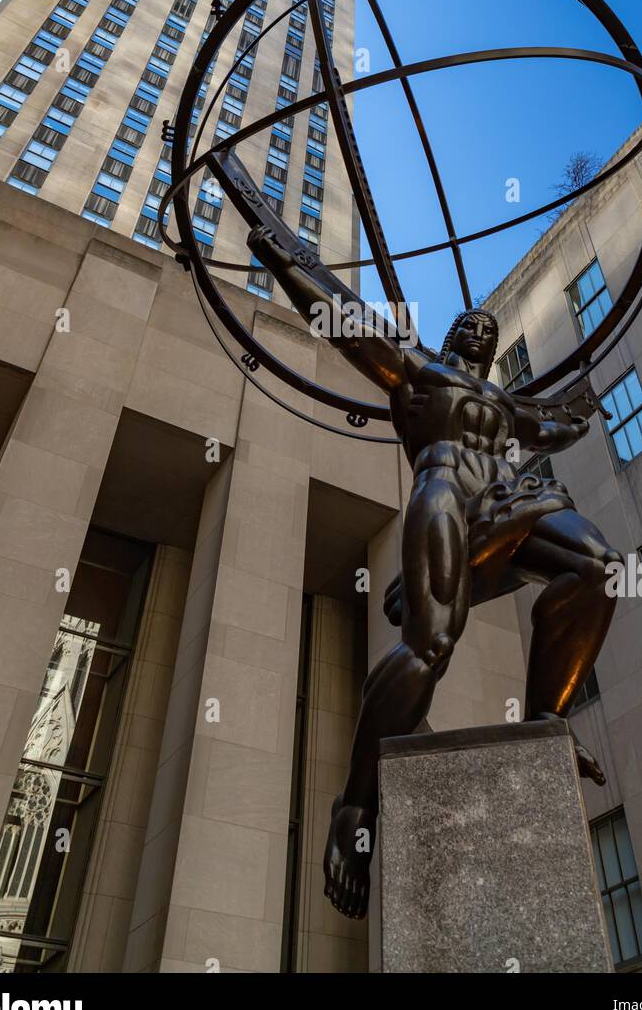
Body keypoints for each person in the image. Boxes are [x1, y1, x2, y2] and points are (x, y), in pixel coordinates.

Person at [247, 224, 622, 920]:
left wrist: (604, 350)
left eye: (490, 324)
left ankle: (547, 724)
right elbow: (340, 316)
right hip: (446, 492)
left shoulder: (513, 407)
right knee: (431, 644)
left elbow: (564, 417)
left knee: (599, 568)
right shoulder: (419, 371)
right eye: (469, 322)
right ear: (451, 339)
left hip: (508, 500)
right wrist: (278, 252)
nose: (481, 327)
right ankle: (354, 806)